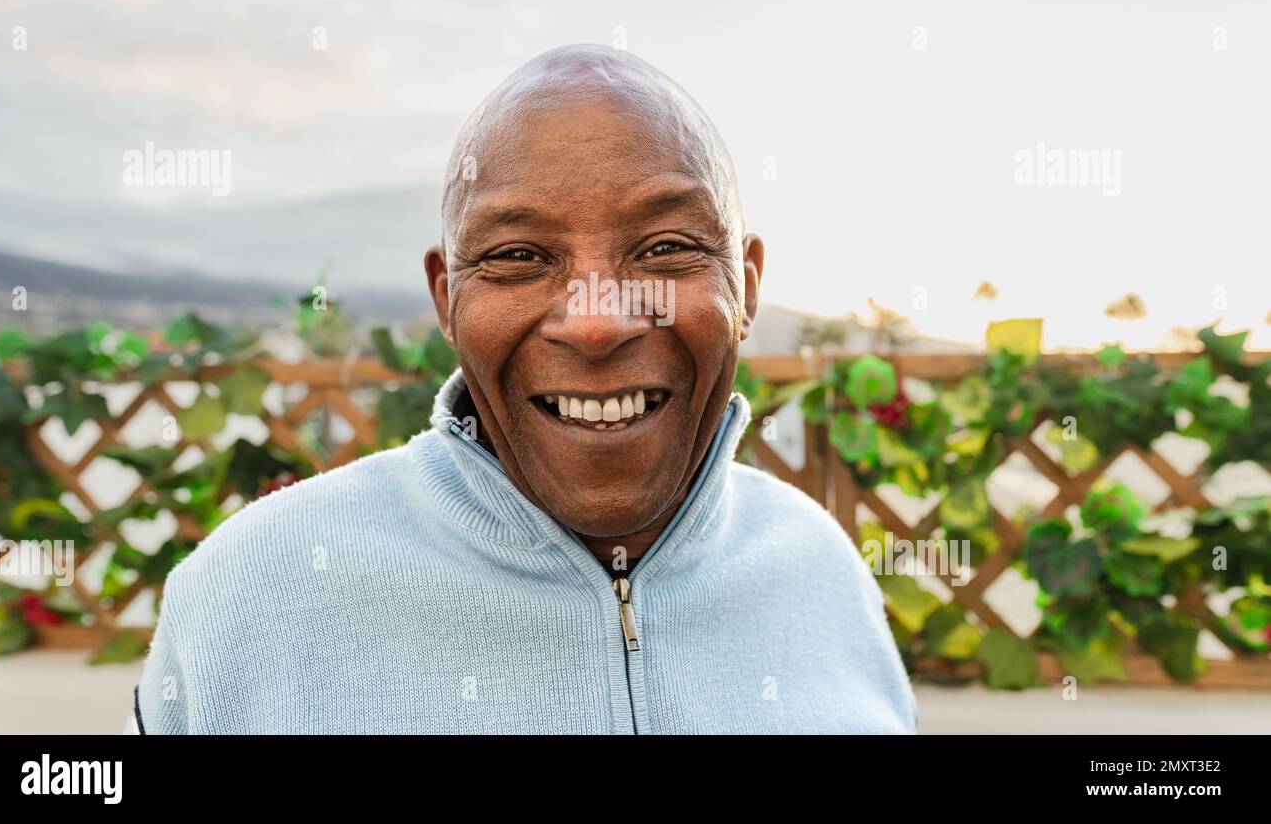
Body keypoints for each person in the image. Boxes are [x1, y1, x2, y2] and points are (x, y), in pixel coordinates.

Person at [129, 44, 917, 734]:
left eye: (666, 247)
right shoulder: (252, 592)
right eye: (518, 256)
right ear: (447, 300)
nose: (597, 323)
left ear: (744, 287)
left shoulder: (820, 570)